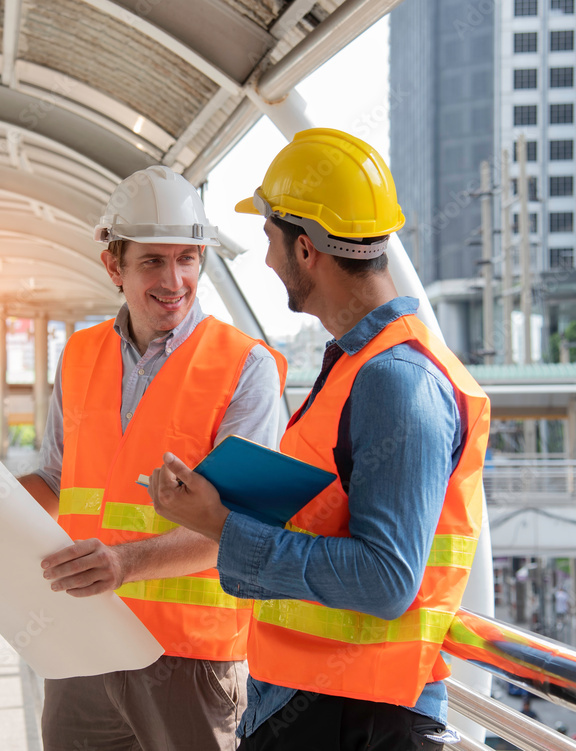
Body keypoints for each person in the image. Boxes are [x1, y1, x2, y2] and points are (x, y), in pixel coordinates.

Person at [148, 129, 491, 751]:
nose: (268, 259)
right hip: (317, 707)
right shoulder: (359, 366)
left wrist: (222, 525)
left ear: (304, 248)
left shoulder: (397, 380)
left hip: (356, 718)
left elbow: (387, 578)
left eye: (269, 239)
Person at [19, 164, 286, 751]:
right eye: (152, 261)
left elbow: (246, 528)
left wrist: (123, 564)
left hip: (188, 659)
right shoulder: (80, 355)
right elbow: (57, 479)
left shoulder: (246, 368)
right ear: (114, 266)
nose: (174, 279)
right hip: (82, 640)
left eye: (187, 258)